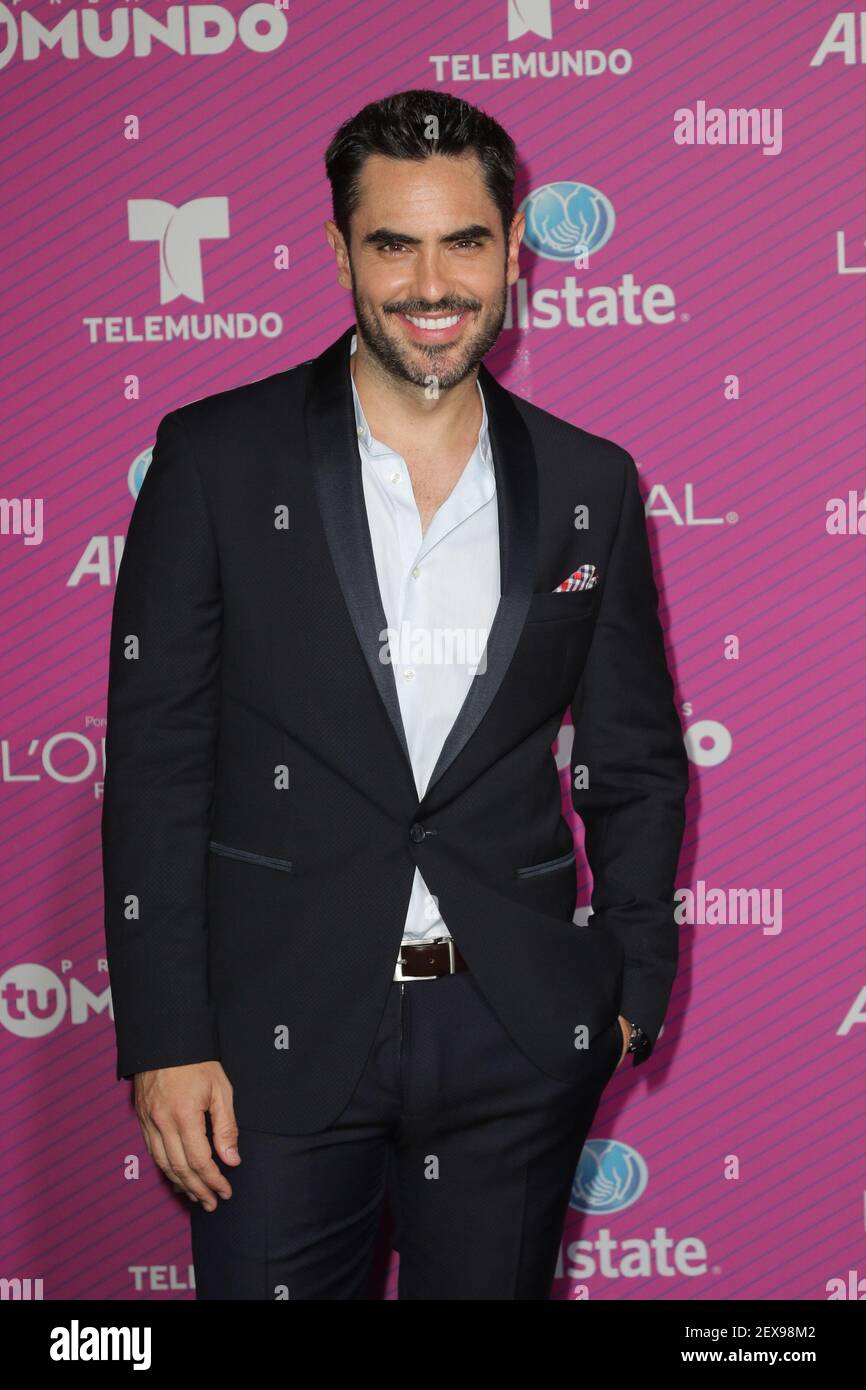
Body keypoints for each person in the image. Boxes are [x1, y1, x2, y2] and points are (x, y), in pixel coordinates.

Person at [101, 88, 689, 1300]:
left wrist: (628, 977)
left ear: (514, 249)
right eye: (393, 243)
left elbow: (628, 754)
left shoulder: (590, 480)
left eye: (465, 241)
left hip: (512, 1029)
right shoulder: (216, 461)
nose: (432, 283)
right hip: (275, 1033)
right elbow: (157, 764)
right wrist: (165, 1040)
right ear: (338, 251)